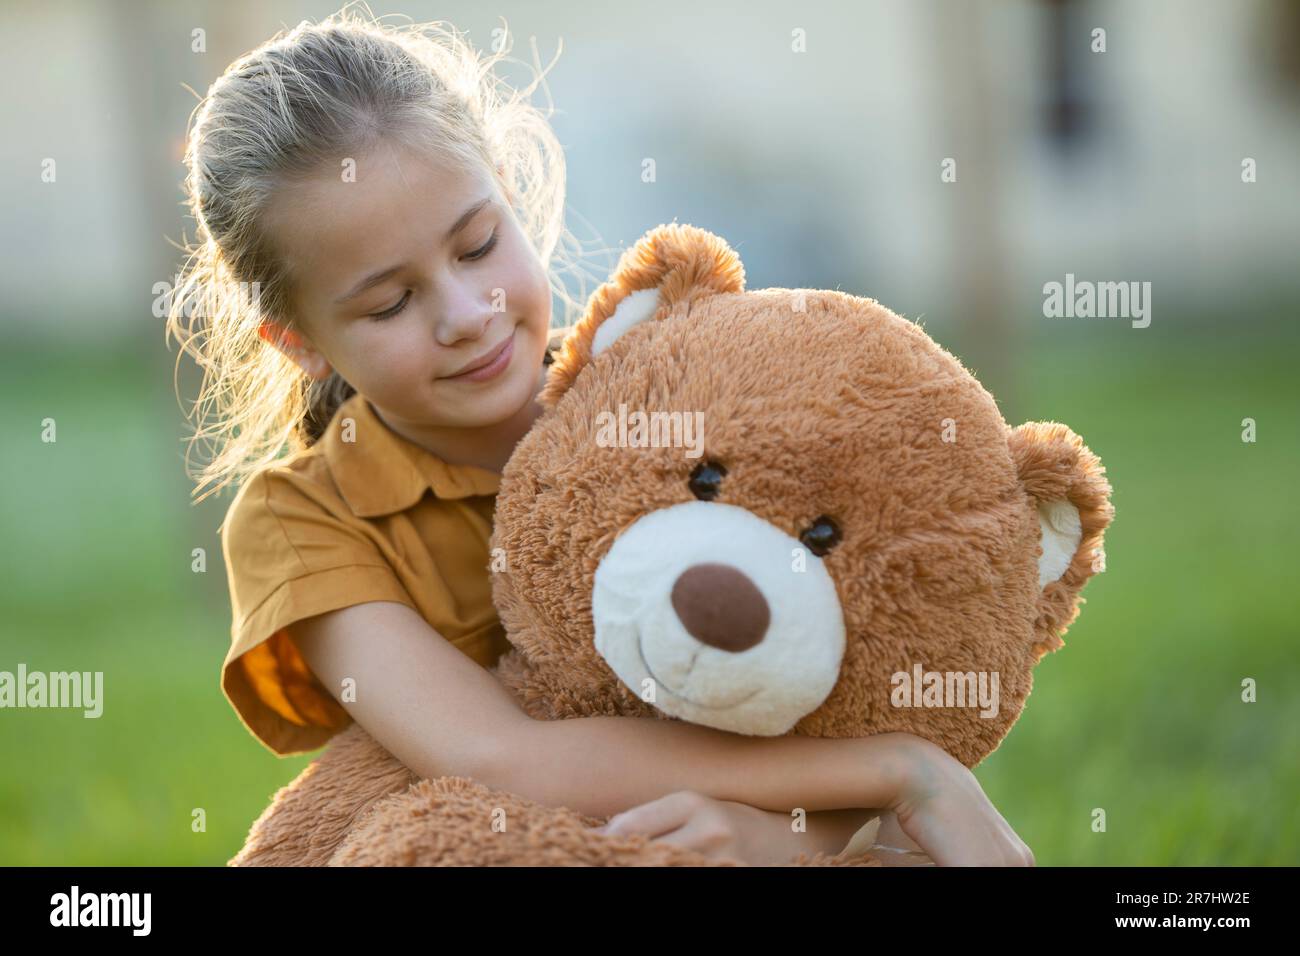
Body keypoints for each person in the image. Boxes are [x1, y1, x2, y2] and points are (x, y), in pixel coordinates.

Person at [165, 6, 1031, 866]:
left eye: (477, 246)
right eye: (391, 303)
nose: (467, 314)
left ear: (510, 188)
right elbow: (494, 758)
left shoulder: (670, 391)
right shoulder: (300, 522)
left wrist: (803, 832)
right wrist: (900, 772)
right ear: (298, 340)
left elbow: (836, 677)